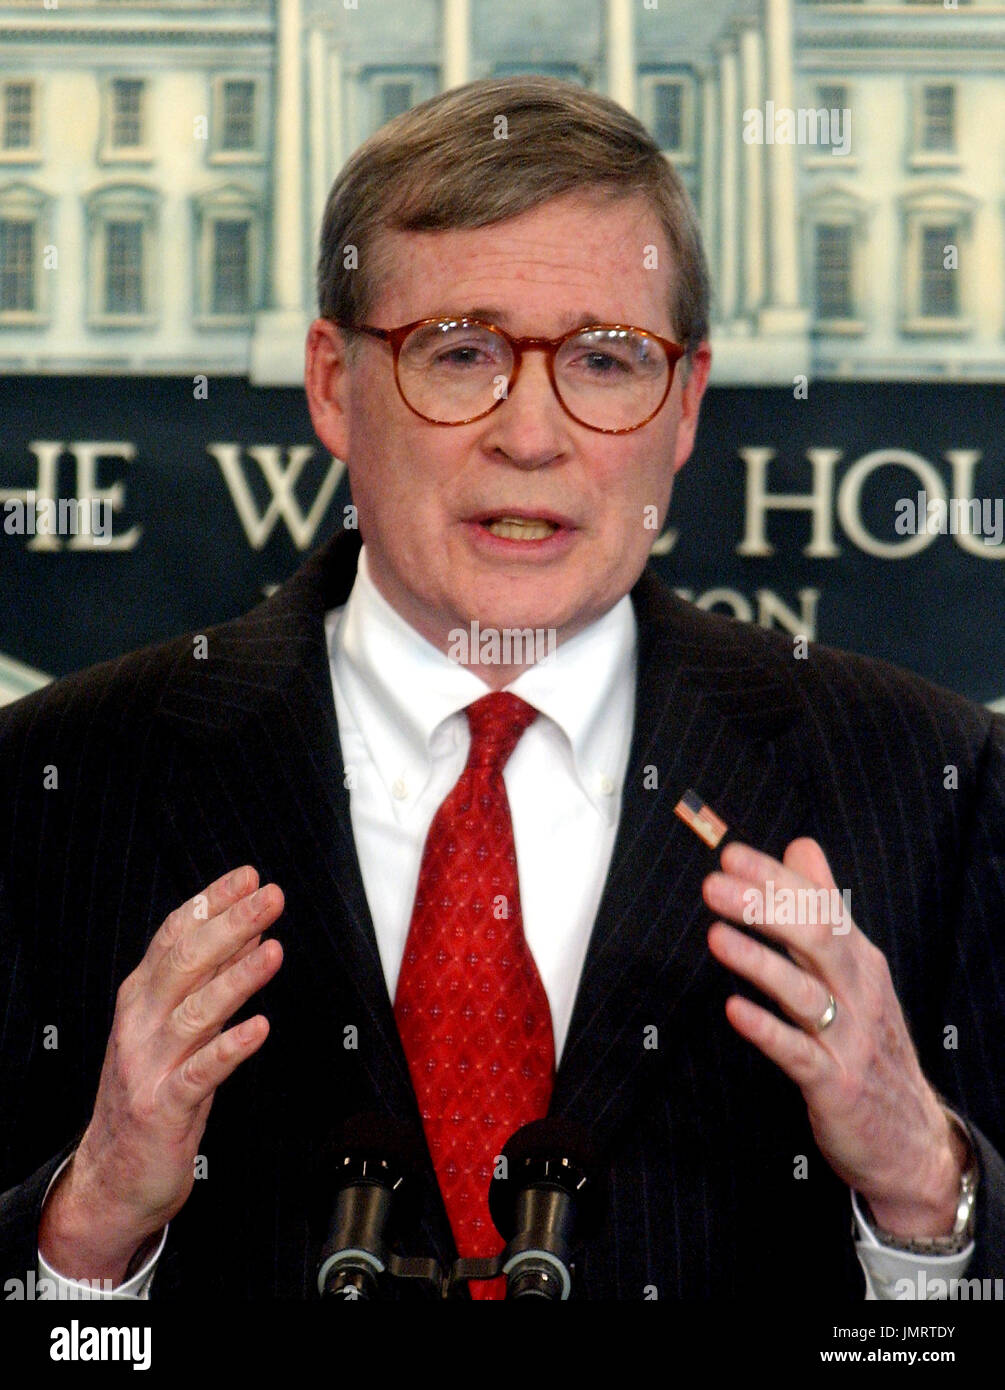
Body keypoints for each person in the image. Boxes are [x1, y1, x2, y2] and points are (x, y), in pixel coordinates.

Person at [1, 76, 1002, 1302]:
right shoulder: (54, 786)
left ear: (685, 404)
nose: (532, 433)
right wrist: (88, 1227)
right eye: (460, 351)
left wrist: (924, 1191)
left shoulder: (927, 782)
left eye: (606, 358)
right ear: (331, 383)